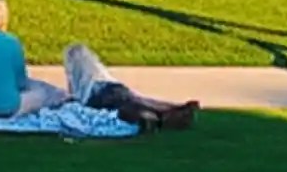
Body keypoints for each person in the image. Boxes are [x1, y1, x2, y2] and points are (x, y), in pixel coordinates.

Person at [64, 43, 198, 132]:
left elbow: (75, 94)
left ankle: (157, 117)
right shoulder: (94, 71)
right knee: (137, 100)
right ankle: (170, 111)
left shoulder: (81, 75)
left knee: (128, 103)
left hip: (98, 95)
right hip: (111, 89)